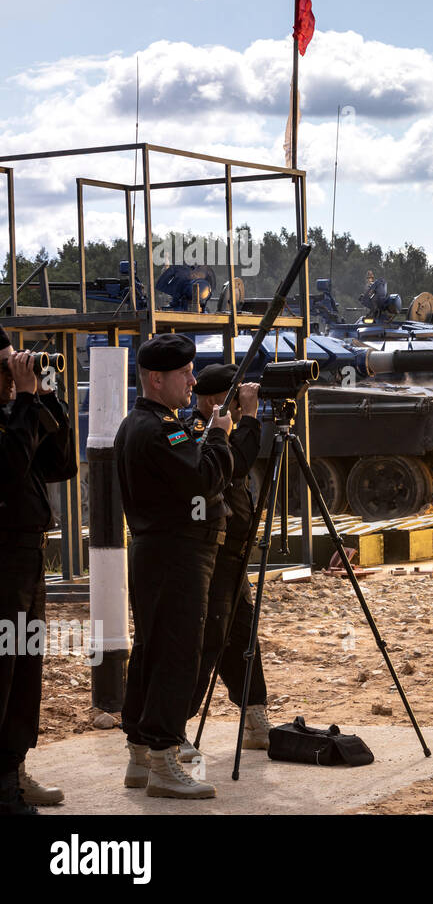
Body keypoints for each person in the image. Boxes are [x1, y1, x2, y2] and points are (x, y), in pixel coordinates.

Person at [114, 334, 232, 800]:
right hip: (177, 554)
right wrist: (220, 437)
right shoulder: (164, 429)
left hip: (155, 552)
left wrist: (202, 436)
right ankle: (164, 758)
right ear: (156, 378)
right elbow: (202, 480)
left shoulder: (139, 423)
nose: (193, 380)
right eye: (184, 373)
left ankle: (140, 754)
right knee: (176, 653)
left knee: (151, 648)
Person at [0, 327, 76, 814]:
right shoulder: (10, 420)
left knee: (25, 671)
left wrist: (47, 400)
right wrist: (25, 403)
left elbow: (60, 465)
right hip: (1, 562)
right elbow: (6, 468)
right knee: (1, 671)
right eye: (5, 367)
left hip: (28, 559)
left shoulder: (16, 415)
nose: (12, 376)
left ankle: (12, 769)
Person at [183, 364, 273, 752]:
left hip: (234, 554)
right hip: (211, 554)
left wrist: (245, 419)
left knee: (241, 635)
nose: (241, 407)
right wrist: (249, 419)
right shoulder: (194, 432)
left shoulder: (223, 430)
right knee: (206, 640)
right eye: (235, 400)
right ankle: (175, 727)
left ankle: (254, 714)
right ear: (213, 400)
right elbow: (234, 465)